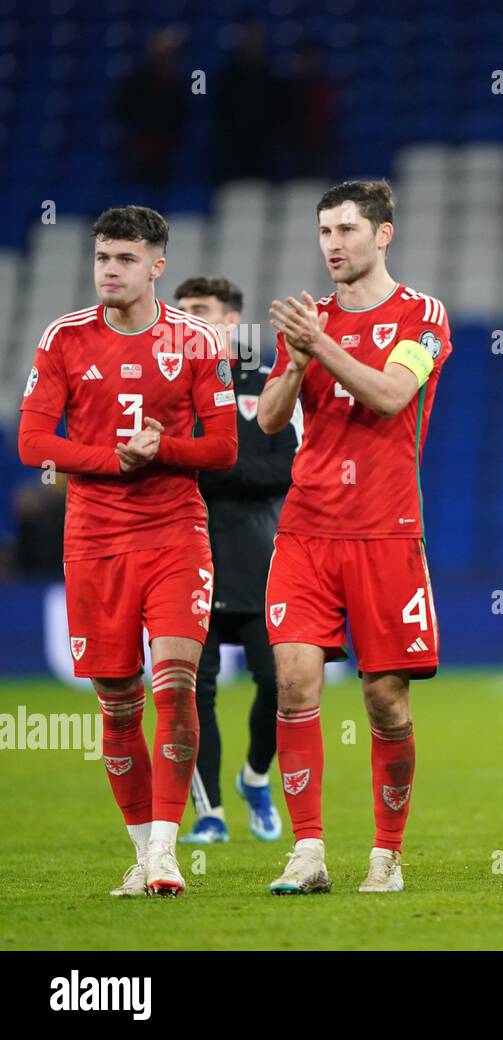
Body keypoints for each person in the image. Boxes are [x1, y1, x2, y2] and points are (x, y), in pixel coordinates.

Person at [17, 206, 237, 895]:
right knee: (118, 705)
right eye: (103, 258)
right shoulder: (63, 339)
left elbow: (223, 448)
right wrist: (114, 461)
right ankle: (142, 853)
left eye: (125, 259)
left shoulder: (197, 341)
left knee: (175, 687)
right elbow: (33, 443)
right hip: (94, 540)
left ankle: (167, 854)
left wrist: (163, 449)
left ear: (156, 267)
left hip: (175, 534)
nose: (110, 271)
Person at [257, 180, 452, 894]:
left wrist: (321, 345)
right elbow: (272, 420)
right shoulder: (312, 322)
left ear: (384, 234)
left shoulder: (423, 315)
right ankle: (306, 852)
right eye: (325, 233)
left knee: (384, 701)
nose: (333, 245)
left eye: (346, 230)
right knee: (294, 682)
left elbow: (392, 394)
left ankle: (386, 855)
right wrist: (300, 357)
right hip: (307, 528)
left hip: (386, 533)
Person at [174, 276, 297, 845]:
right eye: (182, 312)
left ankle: (254, 777)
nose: (187, 321)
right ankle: (210, 813)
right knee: (194, 692)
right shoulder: (169, 383)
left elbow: (289, 469)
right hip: (185, 557)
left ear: (231, 321)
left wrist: (211, 468)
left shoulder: (272, 382)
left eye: (200, 311)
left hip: (256, 557)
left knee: (278, 683)